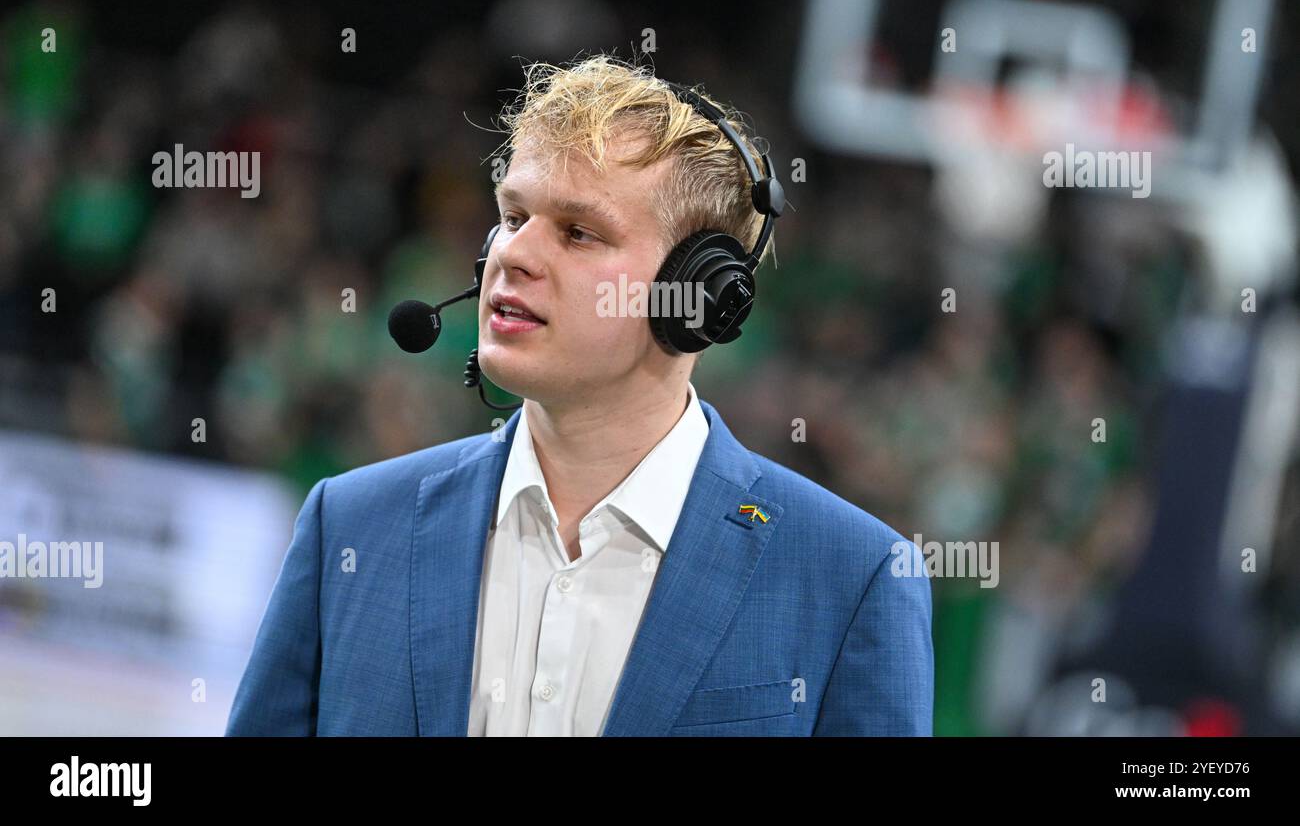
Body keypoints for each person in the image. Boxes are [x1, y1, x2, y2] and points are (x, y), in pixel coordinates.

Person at [225, 54, 933, 736]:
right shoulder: (348, 527)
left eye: (578, 231)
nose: (513, 254)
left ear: (699, 295)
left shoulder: (851, 580)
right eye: (511, 216)